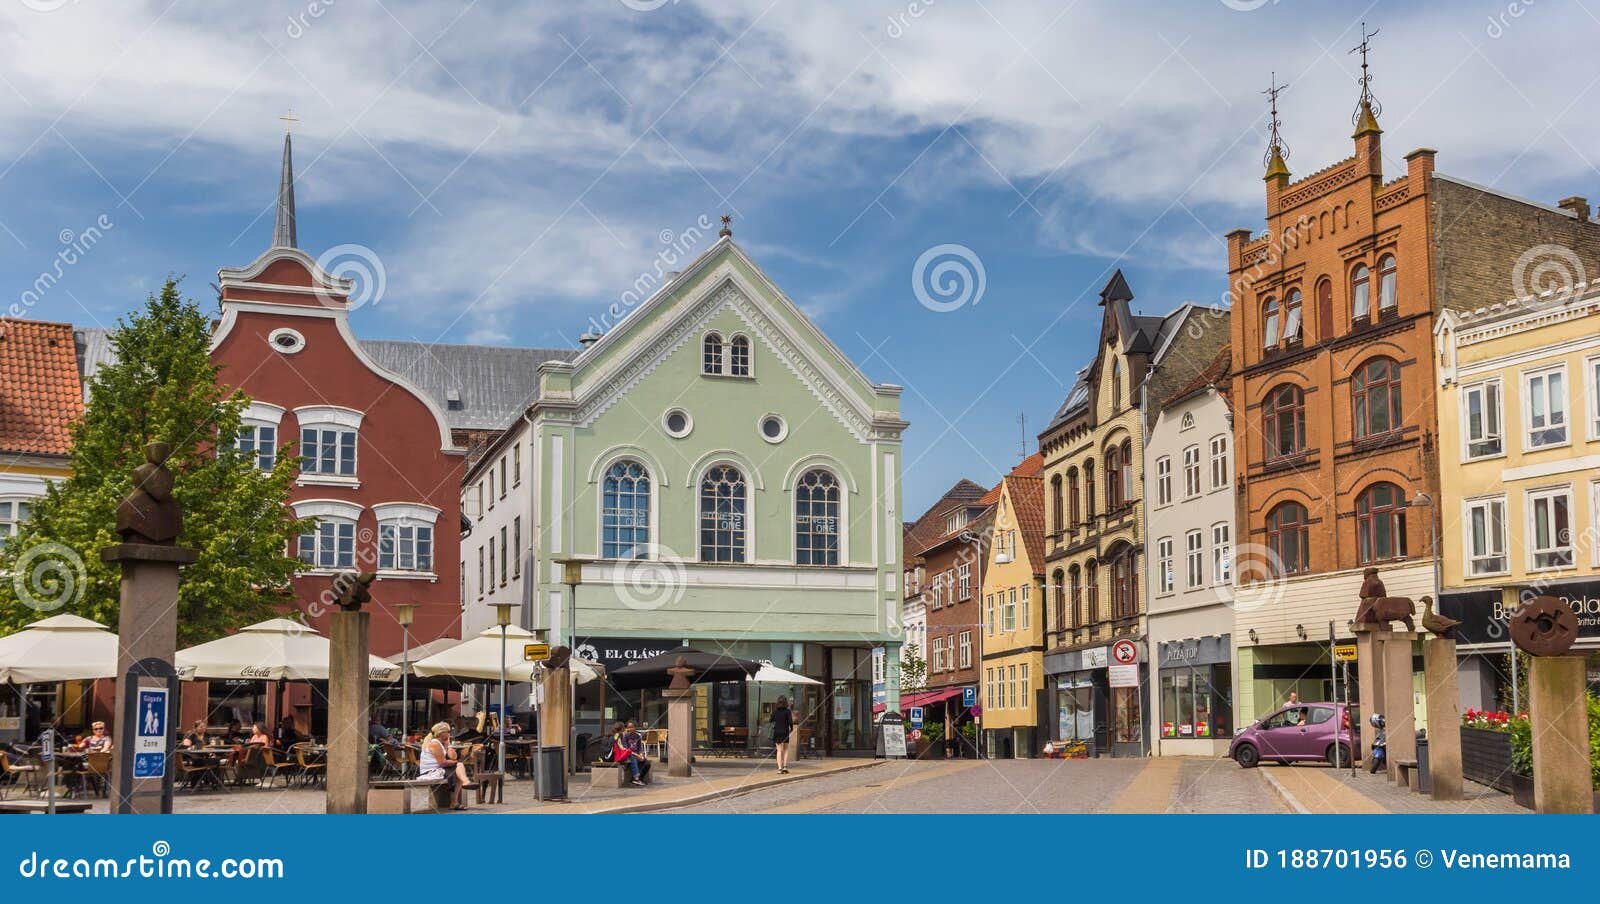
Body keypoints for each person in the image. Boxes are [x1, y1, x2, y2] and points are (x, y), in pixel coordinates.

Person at [419, 722, 470, 810]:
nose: (449, 733)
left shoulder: (441, 743)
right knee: (459, 767)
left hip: (438, 769)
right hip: (430, 772)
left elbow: (453, 757)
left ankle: (456, 798)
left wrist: (448, 744)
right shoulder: (435, 744)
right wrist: (455, 762)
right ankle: (456, 799)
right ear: (441, 733)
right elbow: (442, 762)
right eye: (448, 731)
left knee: (459, 768)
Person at [610, 722, 643, 786]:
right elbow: (625, 749)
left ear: (635, 728)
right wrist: (636, 755)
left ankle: (639, 778)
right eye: (628, 727)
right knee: (633, 759)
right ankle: (636, 779)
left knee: (646, 763)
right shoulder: (623, 736)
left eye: (632, 727)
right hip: (625, 754)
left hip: (633, 753)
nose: (629, 729)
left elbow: (640, 748)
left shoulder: (638, 736)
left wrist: (641, 754)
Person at [771, 696, 794, 774]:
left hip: (777, 732)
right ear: (786, 702)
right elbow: (790, 721)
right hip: (785, 732)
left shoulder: (775, 711)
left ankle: (779, 768)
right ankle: (785, 767)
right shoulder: (788, 711)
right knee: (786, 749)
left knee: (779, 750)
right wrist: (791, 728)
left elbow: (771, 720)